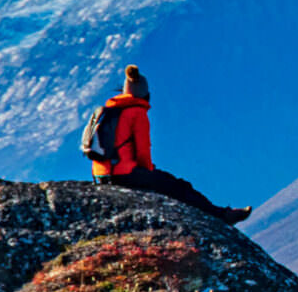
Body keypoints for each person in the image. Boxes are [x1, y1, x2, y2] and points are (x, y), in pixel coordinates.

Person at [90, 64, 251, 224]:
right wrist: (149, 172)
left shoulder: (110, 110)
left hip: (101, 175)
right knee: (180, 187)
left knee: (166, 183)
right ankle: (222, 215)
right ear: (145, 94)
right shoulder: (137, 113)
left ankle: (221, 214)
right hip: (124, 175)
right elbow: (143, 152)